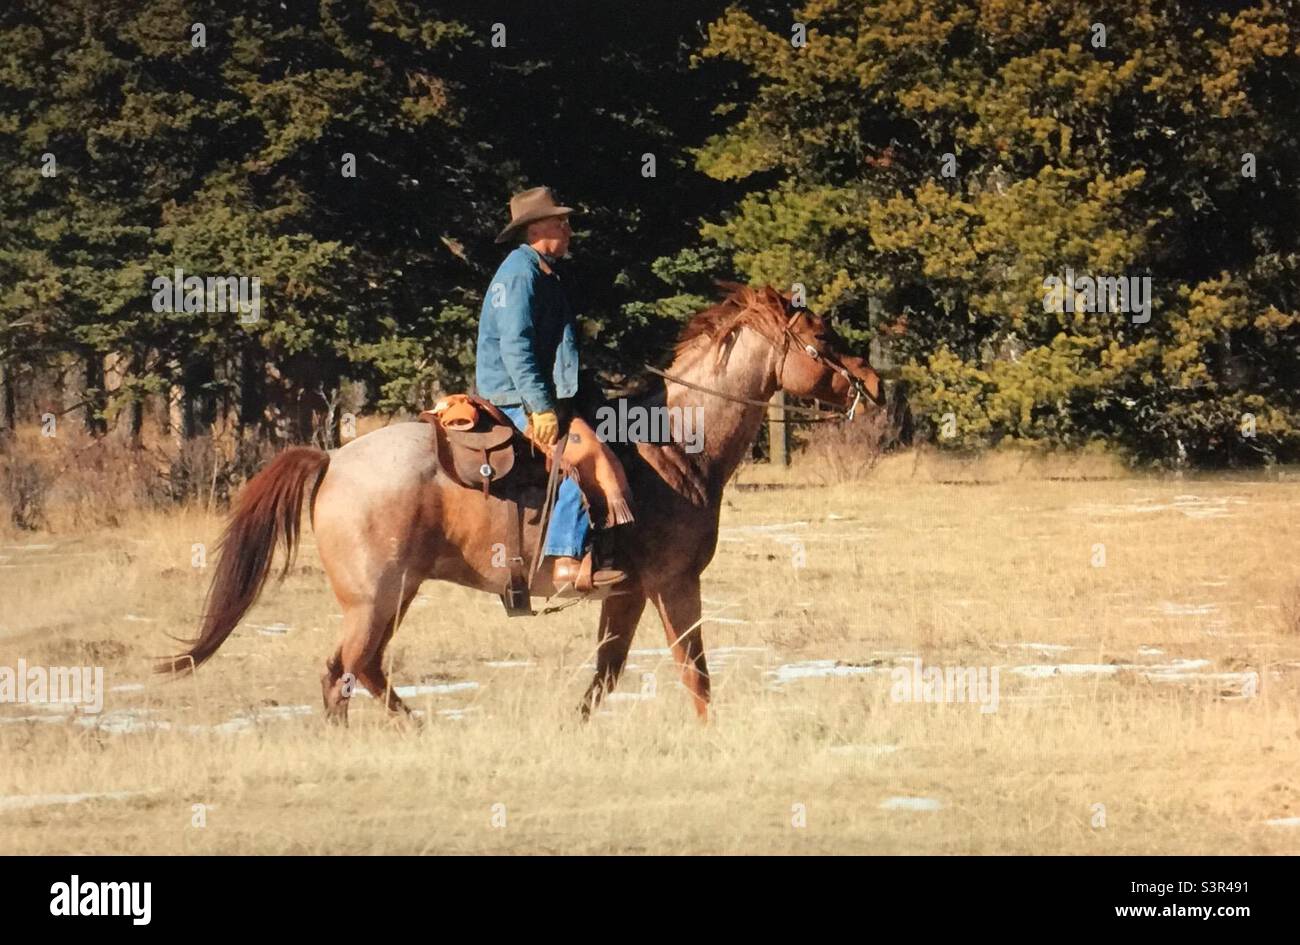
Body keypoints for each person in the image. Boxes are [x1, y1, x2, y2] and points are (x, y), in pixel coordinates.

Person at [474, 186, 629, 591]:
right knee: (584, 454)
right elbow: (516, 346)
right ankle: (565, 558)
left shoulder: (544, 272)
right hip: (513, 397)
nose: (568, 228)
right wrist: (540, 407)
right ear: (535, 228)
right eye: (561, 221)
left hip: (539, 393)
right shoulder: (520, 274)